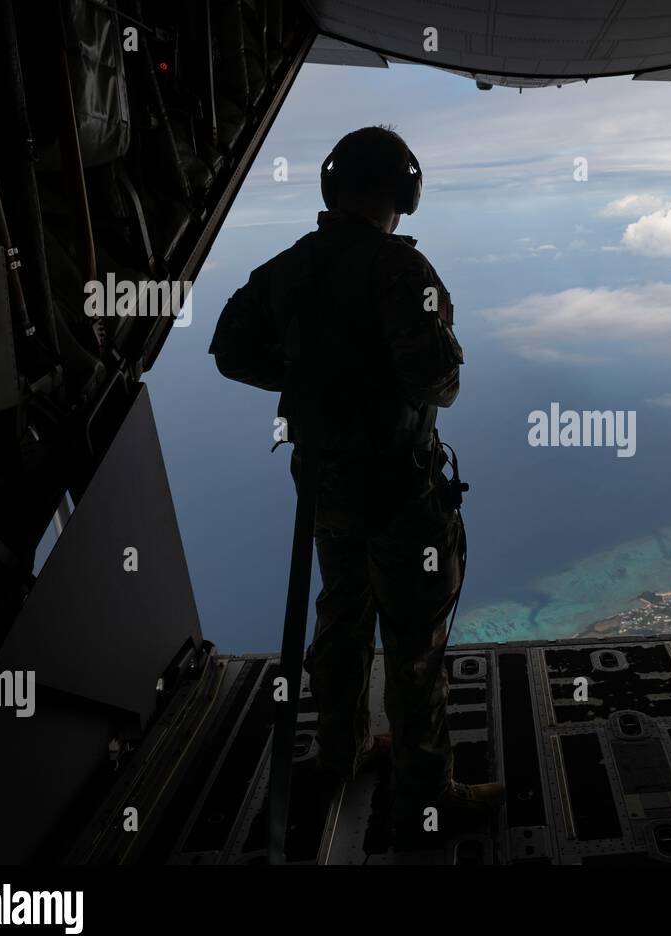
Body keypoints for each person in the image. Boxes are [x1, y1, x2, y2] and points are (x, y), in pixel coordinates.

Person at [207, 125, 503, 849]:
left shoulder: (289, 266)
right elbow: (439, 382)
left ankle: (336, 754)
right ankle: (425, 799)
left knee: (341, 619)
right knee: (413, 645)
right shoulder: (402, 270)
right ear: (405, 191)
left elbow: (230, 351)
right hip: (400, 495)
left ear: (332, 186)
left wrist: (311, 379)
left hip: (327, 491)